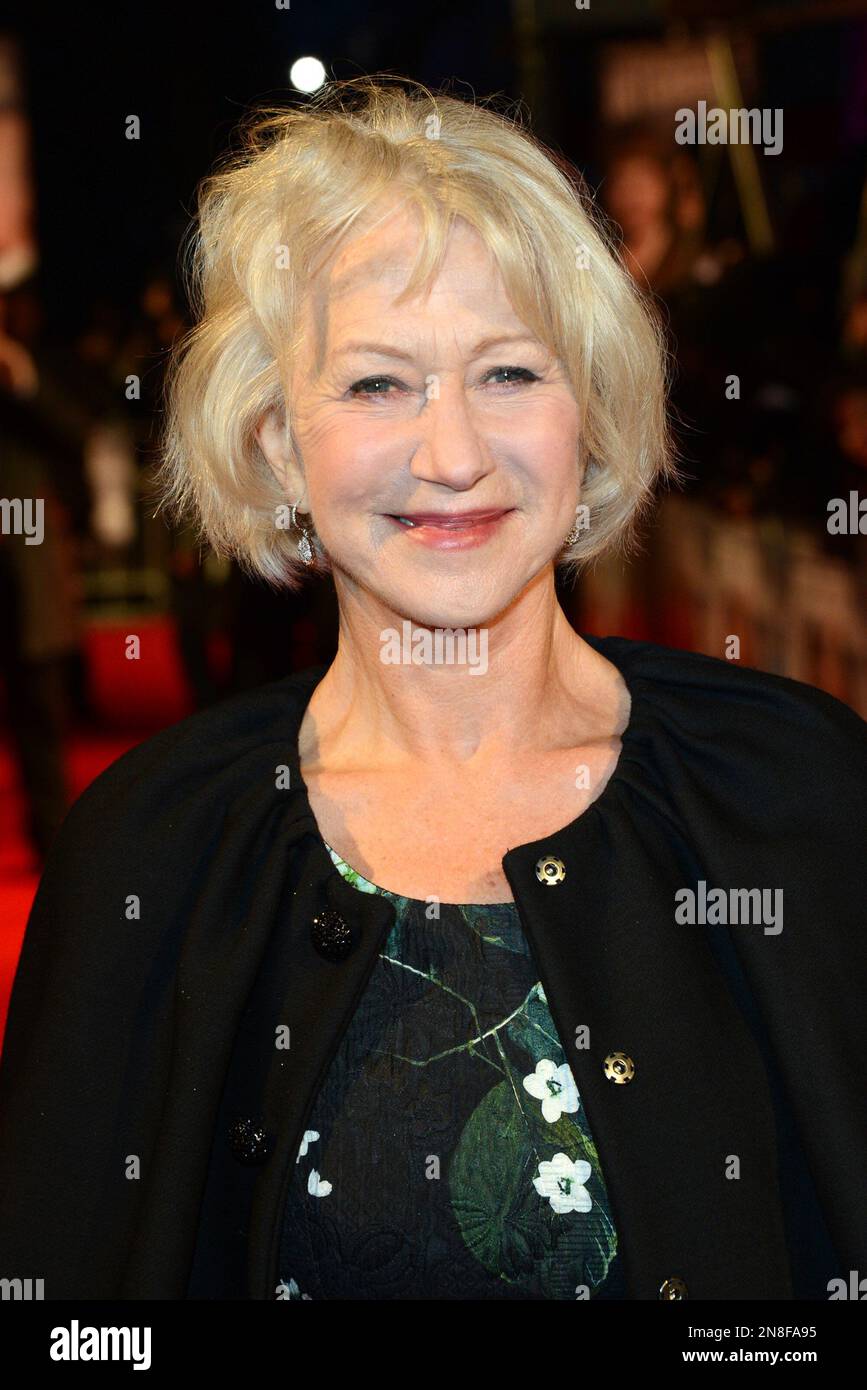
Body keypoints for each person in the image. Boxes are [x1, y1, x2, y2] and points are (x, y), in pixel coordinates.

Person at [0, 76, 865, 1303]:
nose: (453, 454)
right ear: (272, 441)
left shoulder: (804, 794)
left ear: (594, 416)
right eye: (375, 384)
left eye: (511, 373)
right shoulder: (155, 850)